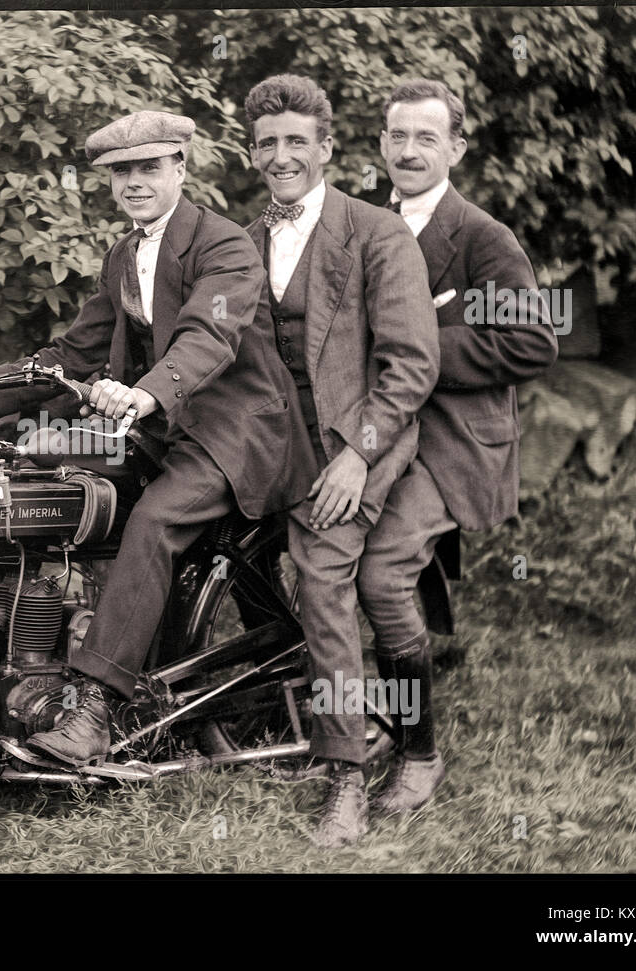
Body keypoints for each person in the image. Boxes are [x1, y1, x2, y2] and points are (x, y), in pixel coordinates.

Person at [0, 109, 318, 766]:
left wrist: (146, 391)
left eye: (148, 168)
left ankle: (98, 709)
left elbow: (208, 335)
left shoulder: (224, 247)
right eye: (121, 173)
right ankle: (22, 662)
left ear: (180, 169)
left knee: (155, 521)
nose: (135, 182)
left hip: (239, 435)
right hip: (164, 432)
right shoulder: (123, 256)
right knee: (46, 476)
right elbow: (71, 354)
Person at [241, 74, 440, 846]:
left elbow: (411, 367)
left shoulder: (375, 232)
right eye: (268, 144)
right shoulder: (244, 239)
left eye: (298, 142)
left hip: (362, 443)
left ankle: (346, 779)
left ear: (326, 148)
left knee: (325, 578)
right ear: (252, 155)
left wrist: (357, 457)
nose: (283, 156)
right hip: (279, 445)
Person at [354, 79, 559, 815]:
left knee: (380, 574)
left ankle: (418, 755)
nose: (409, 151)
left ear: (456, 150)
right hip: (376, 429)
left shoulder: (481, 237)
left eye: (426, 138)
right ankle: (341, 712)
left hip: (451, 441)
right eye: (397, 136)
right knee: (297, 532)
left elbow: (534, 341)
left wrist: (422, 347)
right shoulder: (364, 227)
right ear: (381, 143)